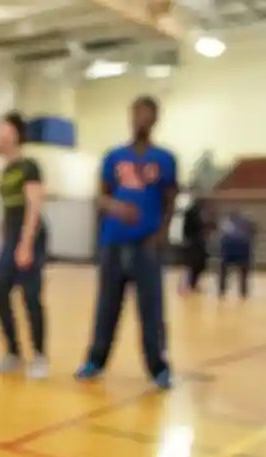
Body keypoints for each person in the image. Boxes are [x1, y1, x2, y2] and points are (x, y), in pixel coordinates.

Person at [76, 96, 178, 390]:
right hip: (113, 243)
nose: (141, 118)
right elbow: (101, 196)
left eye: (147, 114)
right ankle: (95, 360)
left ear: (156, 119)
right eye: (136, 112)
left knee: (151, 311)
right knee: (107, 306)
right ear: (130, 116)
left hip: (146, 246)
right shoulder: (114, 157)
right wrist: (114, 207)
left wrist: (161, 235)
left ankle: (158, 367)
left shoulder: (165, 159)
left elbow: (171, 199)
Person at [0, 111, 48, 379]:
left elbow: (34, 206)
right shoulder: (5, 171)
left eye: (4, 128)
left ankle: (38, 355)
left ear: (15, 133)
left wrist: (26, 244)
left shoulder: (29, 166)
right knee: (0, 293)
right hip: (12, 233)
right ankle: (13, 352)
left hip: (30, 233)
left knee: (30, 296)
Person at [217, 209, 255, 299]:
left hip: (230, 250)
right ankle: (243, 291)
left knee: (225, 270)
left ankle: (222, 290)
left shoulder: (225, 223)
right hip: (240, 250)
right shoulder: (245, 223)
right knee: (242, 271)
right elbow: (252, 233)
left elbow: (222, 237)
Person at [181, 196, 210, 294]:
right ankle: (185, 285)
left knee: (200, 264)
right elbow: (188, 229)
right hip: (192, 241)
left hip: (199, 241)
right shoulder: (191, 213)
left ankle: (194, 284)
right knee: (190, 265)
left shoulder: (200, 214)